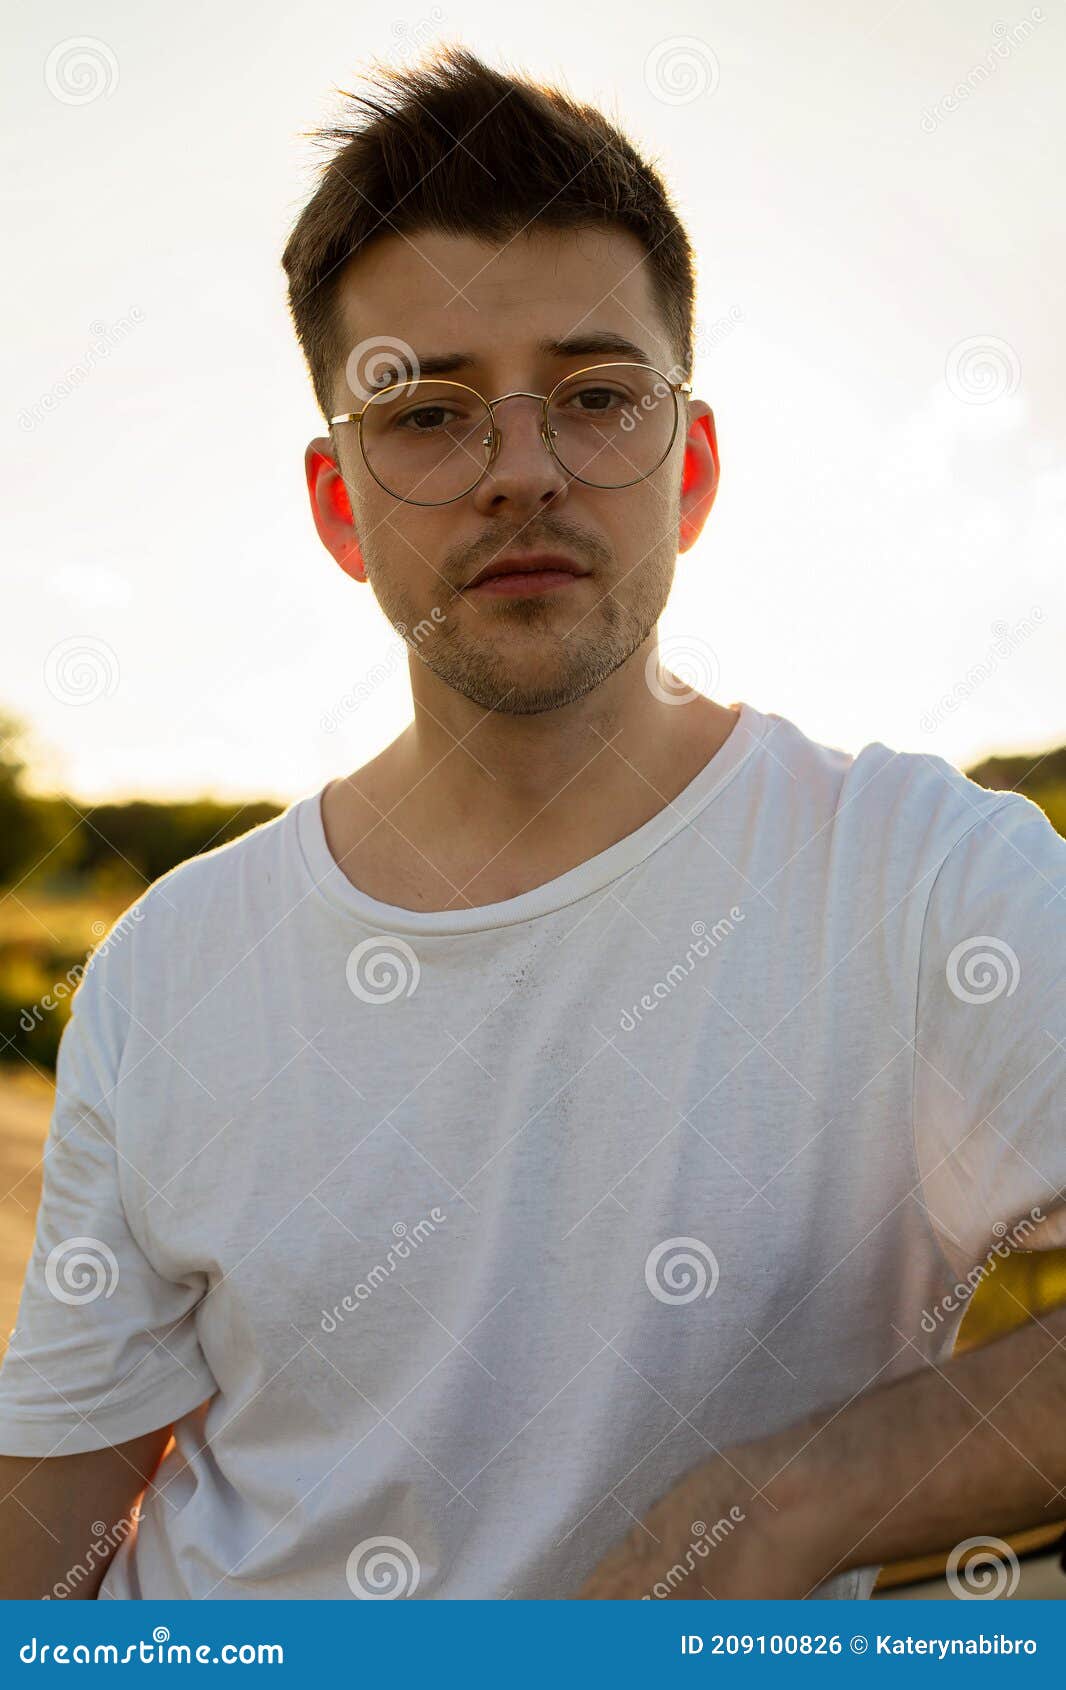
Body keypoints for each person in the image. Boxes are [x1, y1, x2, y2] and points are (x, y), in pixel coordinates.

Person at [1, 45, 1064, 1604]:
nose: (521, 470)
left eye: (593, 396)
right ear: (336, 501)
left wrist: (787, 1495)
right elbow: (62, 1512)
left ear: (687, 465)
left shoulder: (917, 873)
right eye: (426, 412)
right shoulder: (174, 960)